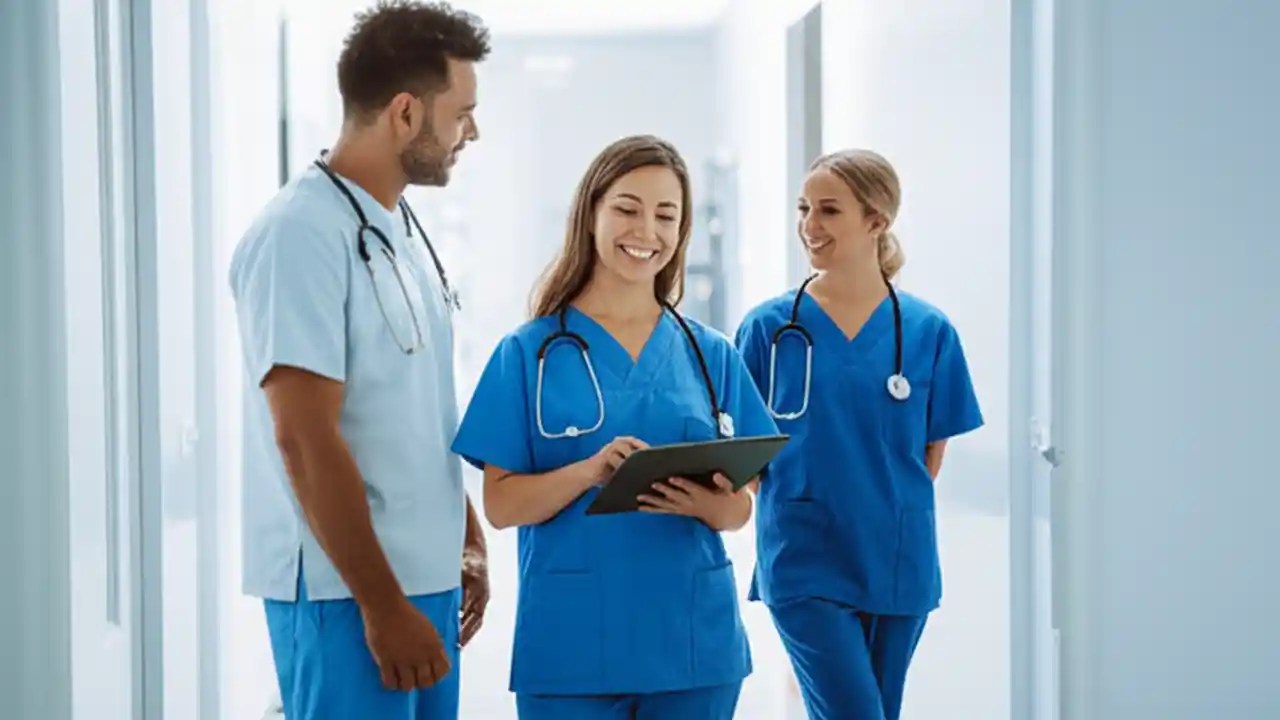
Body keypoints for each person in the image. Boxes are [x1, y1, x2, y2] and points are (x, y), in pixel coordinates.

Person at [450, 135, 778, 719]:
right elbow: (501, 506)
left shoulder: (712, 353)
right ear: (591, 213)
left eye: (666, 215)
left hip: (694, 648)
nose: (645, 231)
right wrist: (589, 471)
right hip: (572, 647)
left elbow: (739, 512)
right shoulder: (529, 353)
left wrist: (703, 503)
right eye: (627, 209)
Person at [227, 3, 492, 718]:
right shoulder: (299, 235)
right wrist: (381, 605)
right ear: (406, 113)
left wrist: (463, 539)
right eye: (461, 113)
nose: (473, 131)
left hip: (419, 579)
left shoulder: (399, 227)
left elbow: (407, 408)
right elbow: (305, 439)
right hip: (350, 594)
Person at [733, 149, 984, 720]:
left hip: (896, 560)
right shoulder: (769, 329)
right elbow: (745, 451)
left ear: (877, 220)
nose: (809, 226)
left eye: (828, 210)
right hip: (804, 559)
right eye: (803, 209)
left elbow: (930, 450)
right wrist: (799, 506)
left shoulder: (927, 330)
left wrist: (883, 509)